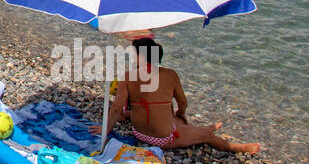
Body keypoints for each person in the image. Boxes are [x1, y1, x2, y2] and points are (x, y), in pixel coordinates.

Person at [100, 38, 260, 153]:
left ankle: (200, 128)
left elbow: (115, 108)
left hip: (138, 132)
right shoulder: (170, 75)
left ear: (142, 57)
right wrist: (181, 113)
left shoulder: (128, 76)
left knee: (161, 114)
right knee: (204, 135)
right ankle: (235, 147)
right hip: (163, 139)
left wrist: (104, 131)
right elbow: (183, 103)